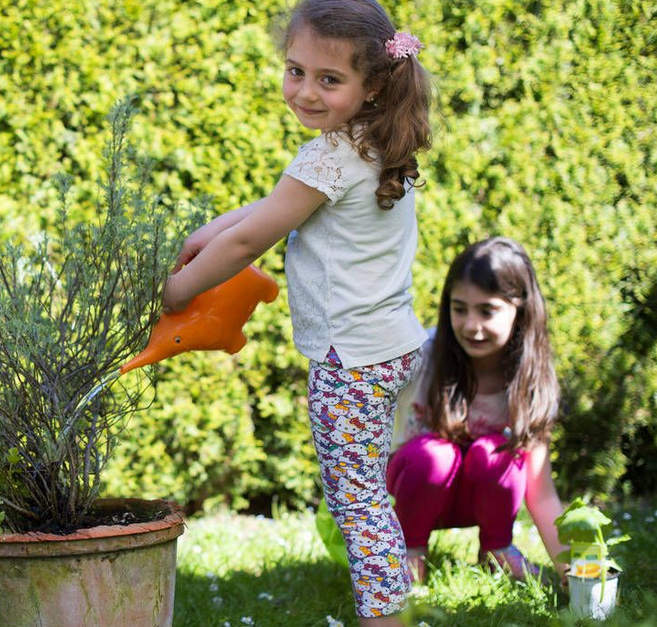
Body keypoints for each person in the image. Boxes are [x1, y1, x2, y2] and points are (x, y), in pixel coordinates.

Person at [161, 0, 433, 622]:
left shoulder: (329, 156)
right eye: (295, 70)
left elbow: (250, 240)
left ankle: (384, 617)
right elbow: (273, 206)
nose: (305, 91)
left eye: (329, 79)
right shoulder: (369, 142)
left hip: (352, 360)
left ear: (374, 85)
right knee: (364, 495)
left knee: (358, 502)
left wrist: (178, 291)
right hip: (388, 346)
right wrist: (203, 234)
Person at [386, 237, 567, 585]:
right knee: (435, 455)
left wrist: (573, 569)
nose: (471, 325)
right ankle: (407, 555)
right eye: (459, 308)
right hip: (410, 489)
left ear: (521, 309)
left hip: (478, 501)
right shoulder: (422, 357)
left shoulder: (529, 379)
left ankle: (497, 551)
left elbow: (541, 493)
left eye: (487, 310)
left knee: (497, 453)